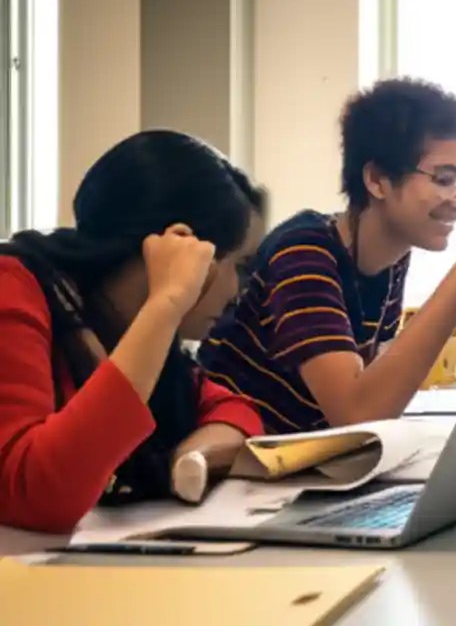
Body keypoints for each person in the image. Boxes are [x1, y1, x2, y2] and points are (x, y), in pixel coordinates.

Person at [199, 77, 456, 434]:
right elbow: (356, 414)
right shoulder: (303, 253)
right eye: (445, 180)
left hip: (308, 463)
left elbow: (370, 399)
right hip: (230, 465)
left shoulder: (390, 261)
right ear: (377, 180)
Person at [0, 131, 267, 533]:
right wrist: (166, 304)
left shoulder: (126, 328)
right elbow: (40, 494)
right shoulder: (13, 288)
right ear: (178, 248)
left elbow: (233, 409)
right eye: (234, 264)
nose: (235, 291)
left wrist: (191, 459)